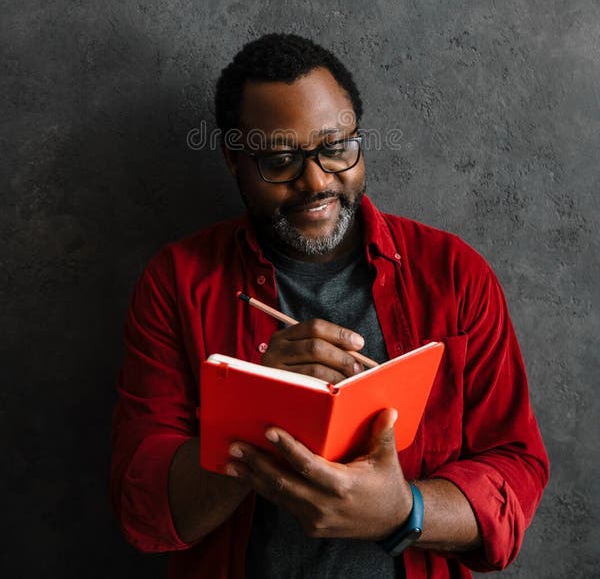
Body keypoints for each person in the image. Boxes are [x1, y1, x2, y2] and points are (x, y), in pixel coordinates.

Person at [111, 33, 549, 579]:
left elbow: (516, 469)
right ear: (232, 159)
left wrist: (402, 511)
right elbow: (144, 506)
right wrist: (255, 410)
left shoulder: (456, 275)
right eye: (279, 159)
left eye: (335, 147)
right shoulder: (176, 282)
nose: (316, 180)